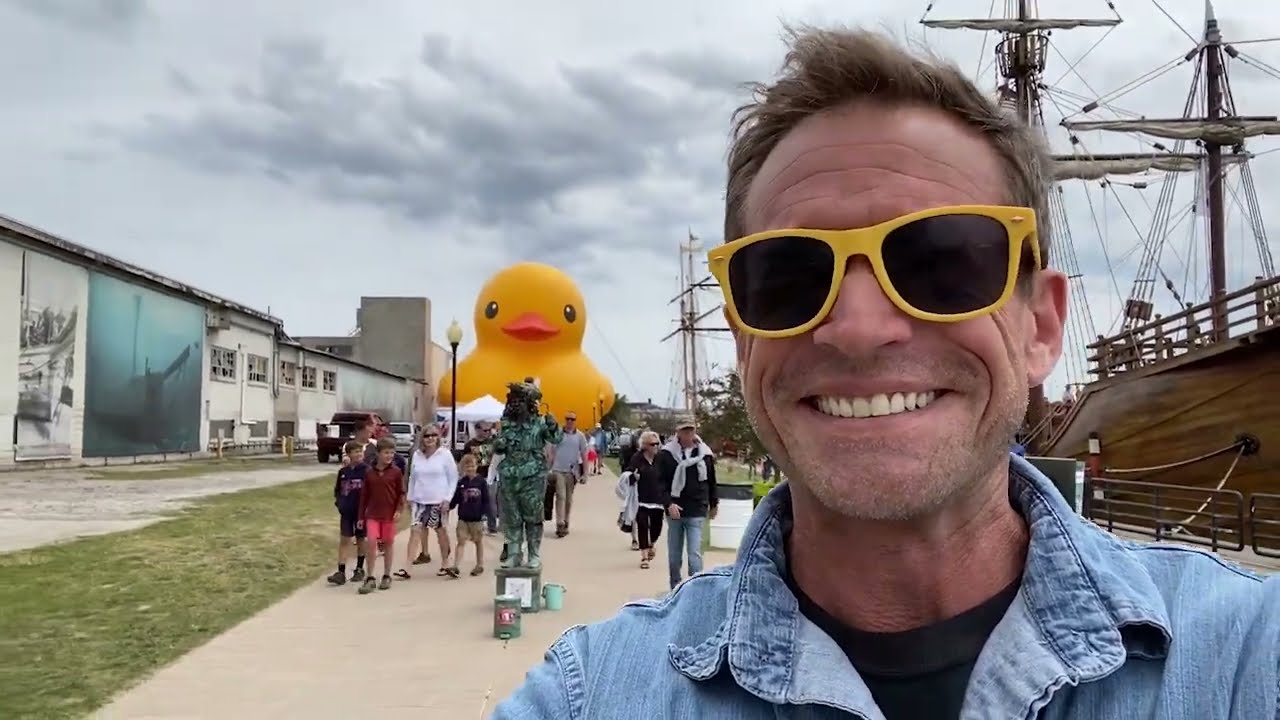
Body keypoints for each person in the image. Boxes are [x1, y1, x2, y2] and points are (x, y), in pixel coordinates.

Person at [493, 27, 1280, 719]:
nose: (861, 331)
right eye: (790, 277)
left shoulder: (1248, 659)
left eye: (941, 263)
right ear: (743, 338)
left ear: (1041, 326)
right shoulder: (592, 696)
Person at [655, 421, 717, 589]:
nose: (688, 434)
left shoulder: (704, 454)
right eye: (685, 430)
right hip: (675, 509)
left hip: (697, 508)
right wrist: (669, 504)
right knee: (675, 555)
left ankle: (696, 589)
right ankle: (675, 587)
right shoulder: (667, 454)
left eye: (691, 430)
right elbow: (660, 484)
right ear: (678, 432)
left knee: (694, 553)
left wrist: (713, 503)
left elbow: (711, 480)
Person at [401, 427, 458, 579]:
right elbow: (413, 477)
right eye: (427, 435)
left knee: (440, 531)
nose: (430, 438)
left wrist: (448, 499)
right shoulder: (417, 455)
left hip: (438, 501)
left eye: (434, 435)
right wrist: (409, 497)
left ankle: (446, 563)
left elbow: (453, 478)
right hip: (420, 500)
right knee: (415, 532)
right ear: (422, 438)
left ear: (438, 437)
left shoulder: (445, 454)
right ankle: (407, 567)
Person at [355, 437, 403, 594]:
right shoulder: (369, 473)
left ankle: (387, 575)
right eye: (386, 453)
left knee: (388, 544)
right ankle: (370, 577)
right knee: (371, 544)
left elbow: (400, 494)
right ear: (378, 454)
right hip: (372, 515)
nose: (389, 456)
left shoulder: (396, 472)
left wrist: (398, 510)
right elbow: (364, 496)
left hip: (389, 515)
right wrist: (361, 516)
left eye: (392, 453)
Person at [326, 440, 368, 585]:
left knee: (361, 539)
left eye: (361, 452)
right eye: (356, 452)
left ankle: (359, 568)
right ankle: (341, 571)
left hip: (361, 512)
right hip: (346, 511)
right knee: (344, 540)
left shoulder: (366, 471)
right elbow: (337, 490)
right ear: (349, 454)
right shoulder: (343, 472)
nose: (359, 454)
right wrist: (340, 503)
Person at [625, 430, 665, 570]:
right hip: (641, 499)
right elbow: (629, 474)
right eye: (653, 444)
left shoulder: (661, 458)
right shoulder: (637, 458)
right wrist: (633, 477)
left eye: (657, 444)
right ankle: (644, 556)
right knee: (642, 525)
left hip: (658, 499)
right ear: (645, 445)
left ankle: (652, 543)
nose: (656, 446)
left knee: (656, 527)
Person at [547, 412, 588, 537]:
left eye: (572, 419)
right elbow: (551, 452)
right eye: (567, 419)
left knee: (568, 499)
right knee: (561, 495)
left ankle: (566, 521)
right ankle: (559, 522)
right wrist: (548, 468)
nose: (570, 421)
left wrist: (585, 473)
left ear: (575, 421)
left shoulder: (580, 436)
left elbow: (584, 455)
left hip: (571, 472)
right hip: (557, 469)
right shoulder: (558, 434)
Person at [448, 453, 490, 576]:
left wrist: (485, 514)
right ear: (463, 468)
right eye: (467, 467)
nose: (470, 469)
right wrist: (449, 507)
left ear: (476, 466)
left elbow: (486, 500)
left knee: (478, 541)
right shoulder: (461, 483)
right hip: (463, 518)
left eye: (472, 466)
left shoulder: (481, 482)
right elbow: (456, 499)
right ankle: (456, 566)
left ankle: (479, 564)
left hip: (477, 518)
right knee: (461, 541)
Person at [462, 421, 499, 534]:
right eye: (485, 430)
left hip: (490, 476)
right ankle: (475, 525)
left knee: (491, 502)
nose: (487, 433)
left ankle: (492, 527)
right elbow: (465, 460)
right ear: (477, 430)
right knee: (475, 501)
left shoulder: (493, 442)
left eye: (489, 430)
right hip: (476, 476)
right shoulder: (470, 444)